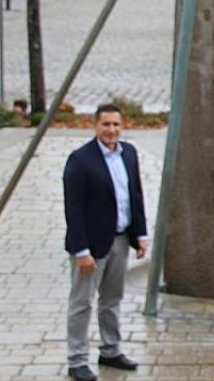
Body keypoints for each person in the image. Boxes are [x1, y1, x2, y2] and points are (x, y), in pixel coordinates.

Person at [63, 103, 149, 381]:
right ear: (95, 126)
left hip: (121, 239)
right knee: (82, 302)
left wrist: (140, 235)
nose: (111, 130)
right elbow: (73, 209)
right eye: (106, 125)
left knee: (112, 299)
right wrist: (80, 250)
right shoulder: (80, 160)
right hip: (91, 246)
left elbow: (135, 194)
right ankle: (77, 360)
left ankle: (110, 350)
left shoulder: (129, 154)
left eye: (116, 125)